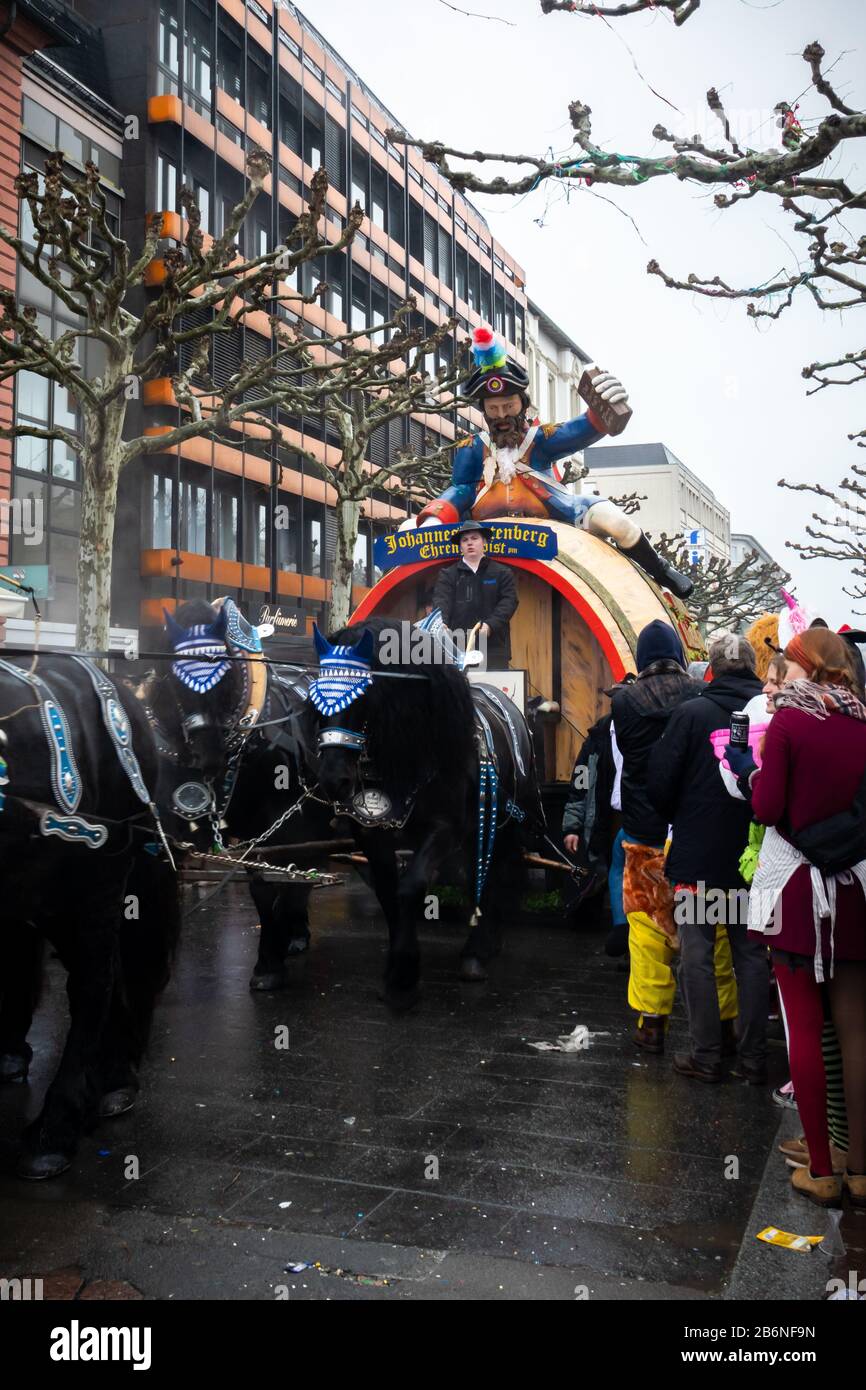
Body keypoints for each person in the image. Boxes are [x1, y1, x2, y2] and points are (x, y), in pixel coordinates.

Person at [728, 628, 866, 1208]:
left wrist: (752, 771)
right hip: (855, 890)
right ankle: (860, 1169)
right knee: (857, 1033)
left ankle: (820, 1168)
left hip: (795, 893)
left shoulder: (787, 722)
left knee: (803, 1032)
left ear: (806, 668)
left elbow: (766, 807)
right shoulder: (863, 723)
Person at [410, 326, 693, 600]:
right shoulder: (472, 448)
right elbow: (460, 490)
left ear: (522, 403)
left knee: (617, 523)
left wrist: (604, 405)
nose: (502, 415)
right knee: (409, 531)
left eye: (509, 406)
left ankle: (661, 571)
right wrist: (435, 516)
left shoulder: (541, 439)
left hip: (555, 517)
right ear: (483, 411)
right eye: (493, 409)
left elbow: (582, 429)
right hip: (486, 529)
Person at [611, 620, 738, 1052]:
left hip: (644, 832)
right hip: (693, 830)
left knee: (647, 929)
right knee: (713, 929)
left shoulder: (624, 702)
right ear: (680, 656)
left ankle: (652, 1023)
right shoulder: (700, 697)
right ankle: (724, 1023)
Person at [647, 632, 768, 1082]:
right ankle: (755, 1060)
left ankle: (706, 1054)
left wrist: (680, 813)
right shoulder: (771, 715)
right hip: (753, 857)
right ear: (755, 668)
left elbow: (659, 780)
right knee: (751, 955)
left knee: (696, 953)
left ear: (711, 669)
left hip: (698, 858)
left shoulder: (691, 714)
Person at [562, 708, 626, 950]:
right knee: (596, 876)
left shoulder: (645, 735)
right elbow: (579, 785)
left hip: (634, 824)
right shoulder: (596, 738)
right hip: (599, 825)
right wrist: (572, 826)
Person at [431, 520, 518, 668]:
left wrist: (491, 625)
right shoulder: (448, 575)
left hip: (494, 648)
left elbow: (509, 601)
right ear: (460, 546)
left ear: (484, 542)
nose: (469, 543)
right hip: (457, 648)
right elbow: (441, 601)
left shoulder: (502, 573)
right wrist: (442, 623)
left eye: (474, 538)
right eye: (465, 540)